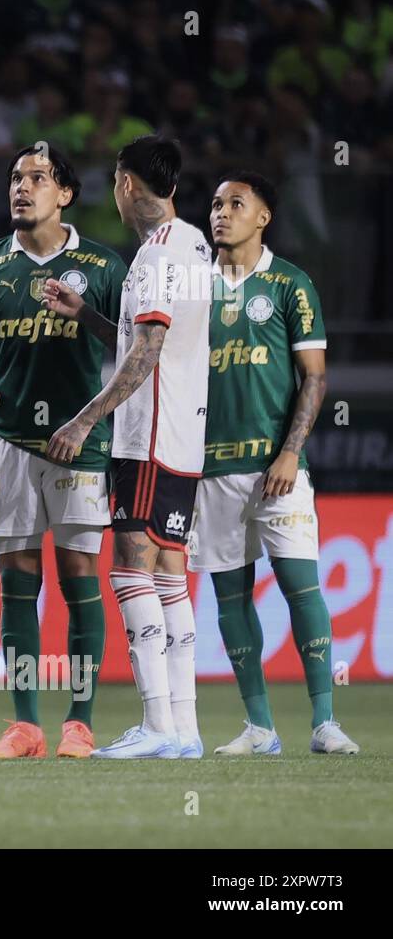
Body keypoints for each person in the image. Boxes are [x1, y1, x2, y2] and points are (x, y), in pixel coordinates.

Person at [0, 144, 127, 758]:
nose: (22, 188)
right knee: (18, 583)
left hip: (82, 443)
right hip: (6, 439)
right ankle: (25, 725)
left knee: (78, 578)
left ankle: (80, 719)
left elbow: (135, 349)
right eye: (16, 178)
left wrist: (91, 316)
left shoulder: (102, 265)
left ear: (65, 194)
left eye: (38, 178)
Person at [44, 135, 214, 760]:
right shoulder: (197, 244)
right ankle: (185, 730)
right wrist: (87, 313)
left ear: (126, 185)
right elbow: (138, 336)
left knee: (129, 573)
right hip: (184, 437)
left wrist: (85, 420)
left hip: (146, 437)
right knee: (171, 576)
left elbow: (146, 354)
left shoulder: (154, 258)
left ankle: (156, 726)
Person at [192, 171, 357, 755]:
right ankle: (259, 728)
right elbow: (145, 353)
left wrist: (291, 452)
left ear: (263, 217)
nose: (221, 213)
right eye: (215, 203)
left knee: (301, 589)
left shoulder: (290, 284)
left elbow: (314, 378)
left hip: (277, 469)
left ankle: (324, 722)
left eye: (236, 204)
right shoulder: (191, 287)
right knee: (229, 600)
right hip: (210, 470)